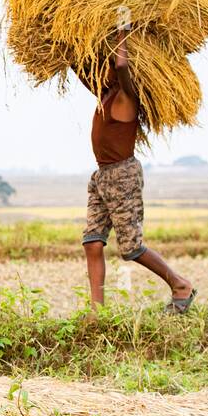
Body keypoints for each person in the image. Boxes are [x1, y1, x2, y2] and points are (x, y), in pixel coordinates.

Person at [80, 29, 194, 313]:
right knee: (92, 242)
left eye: (103, 65)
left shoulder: (126, 97)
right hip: (101, 177)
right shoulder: (104, 95)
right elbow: (81, 69)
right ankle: (98, 313)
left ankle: (181, 285)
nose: (97, 71)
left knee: (131, 248)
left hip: (122, 176)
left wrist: (122, 32)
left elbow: (121, 66)